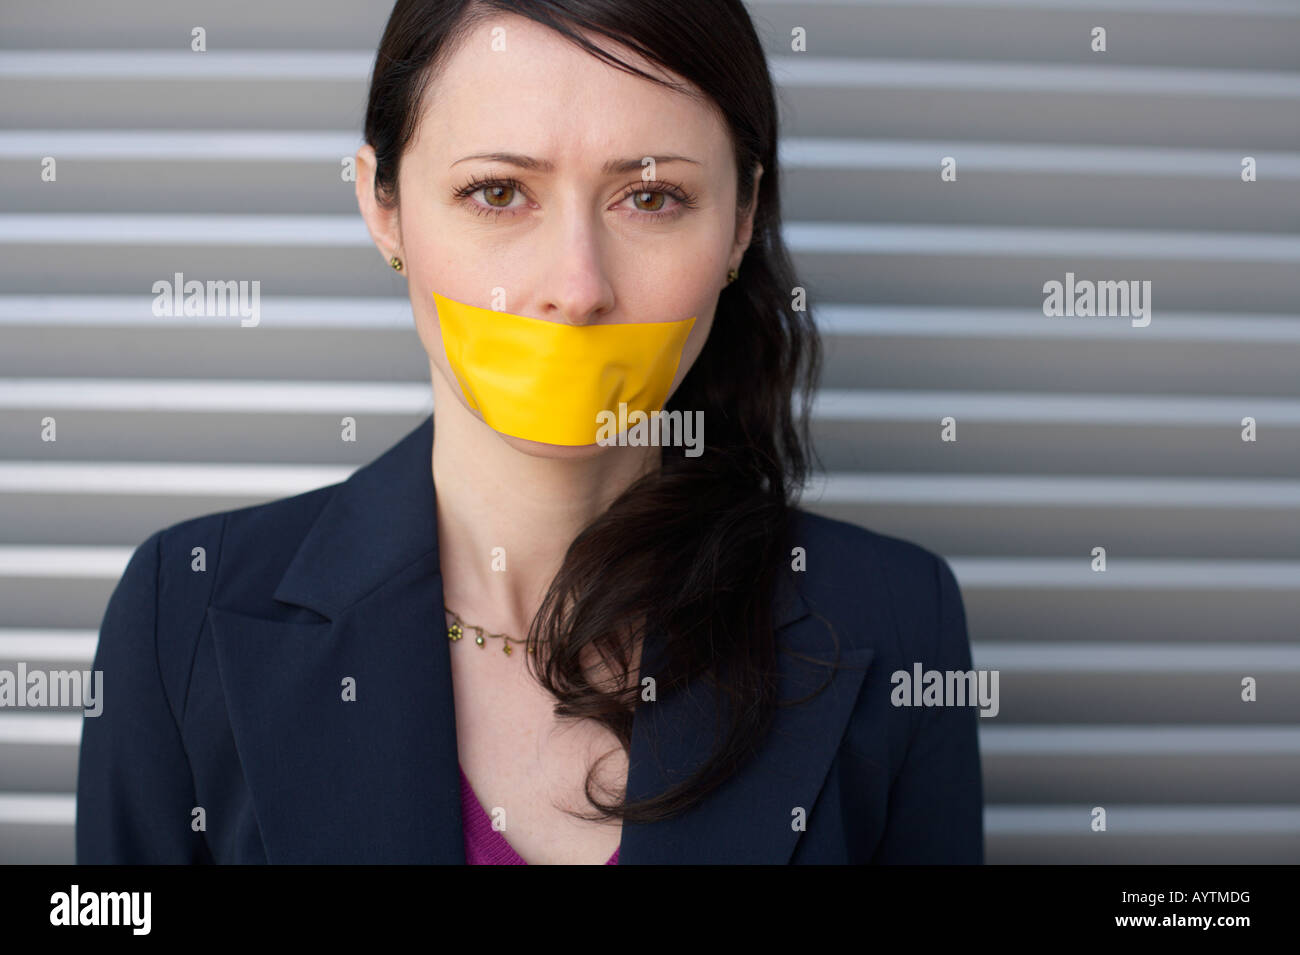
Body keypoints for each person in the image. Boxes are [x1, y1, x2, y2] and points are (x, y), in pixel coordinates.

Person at [76, 0, 983, 864]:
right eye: (499, 191)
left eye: (653, 196)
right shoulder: (182, 616)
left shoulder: (900, 619)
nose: (576, 287)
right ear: (383, 207)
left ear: (741, 219)